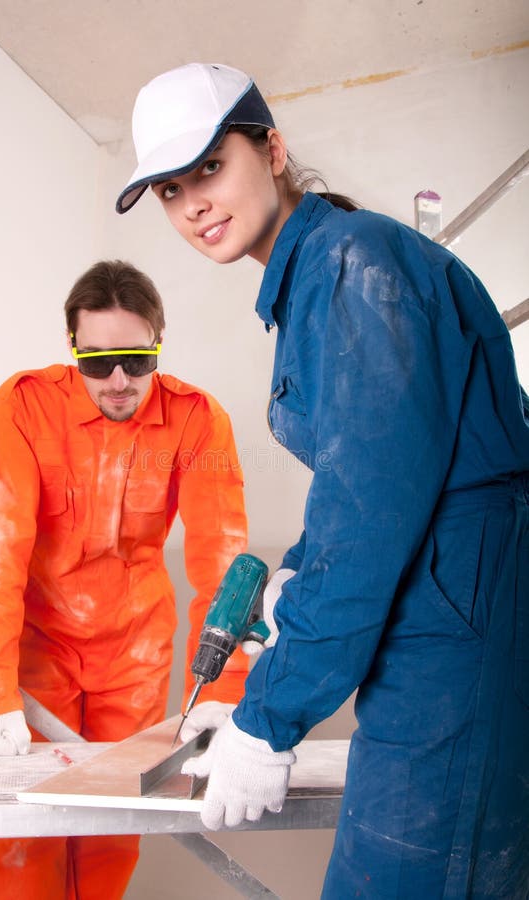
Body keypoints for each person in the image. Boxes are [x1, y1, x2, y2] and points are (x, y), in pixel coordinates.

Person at [115, 63, 529, 898]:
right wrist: (300, 568)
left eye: (208, 167)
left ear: (272, 149)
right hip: (451, 618)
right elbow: (375, 470)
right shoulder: (322, 274)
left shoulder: (350, 268)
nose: (192, 203)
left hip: (456, 634)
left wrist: (269, 721)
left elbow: (373, 513)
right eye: (167, 188)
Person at [0, 259, 249, 900]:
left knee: (114, 829)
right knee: (27, 833)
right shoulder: (23, 406)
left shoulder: (198, 419)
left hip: (136, 652)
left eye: (136, 362)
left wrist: (228, 691)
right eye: (97, 362)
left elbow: (222, 565)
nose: (118, 382)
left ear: (159, 344)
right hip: (40, 649)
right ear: (72, 350)